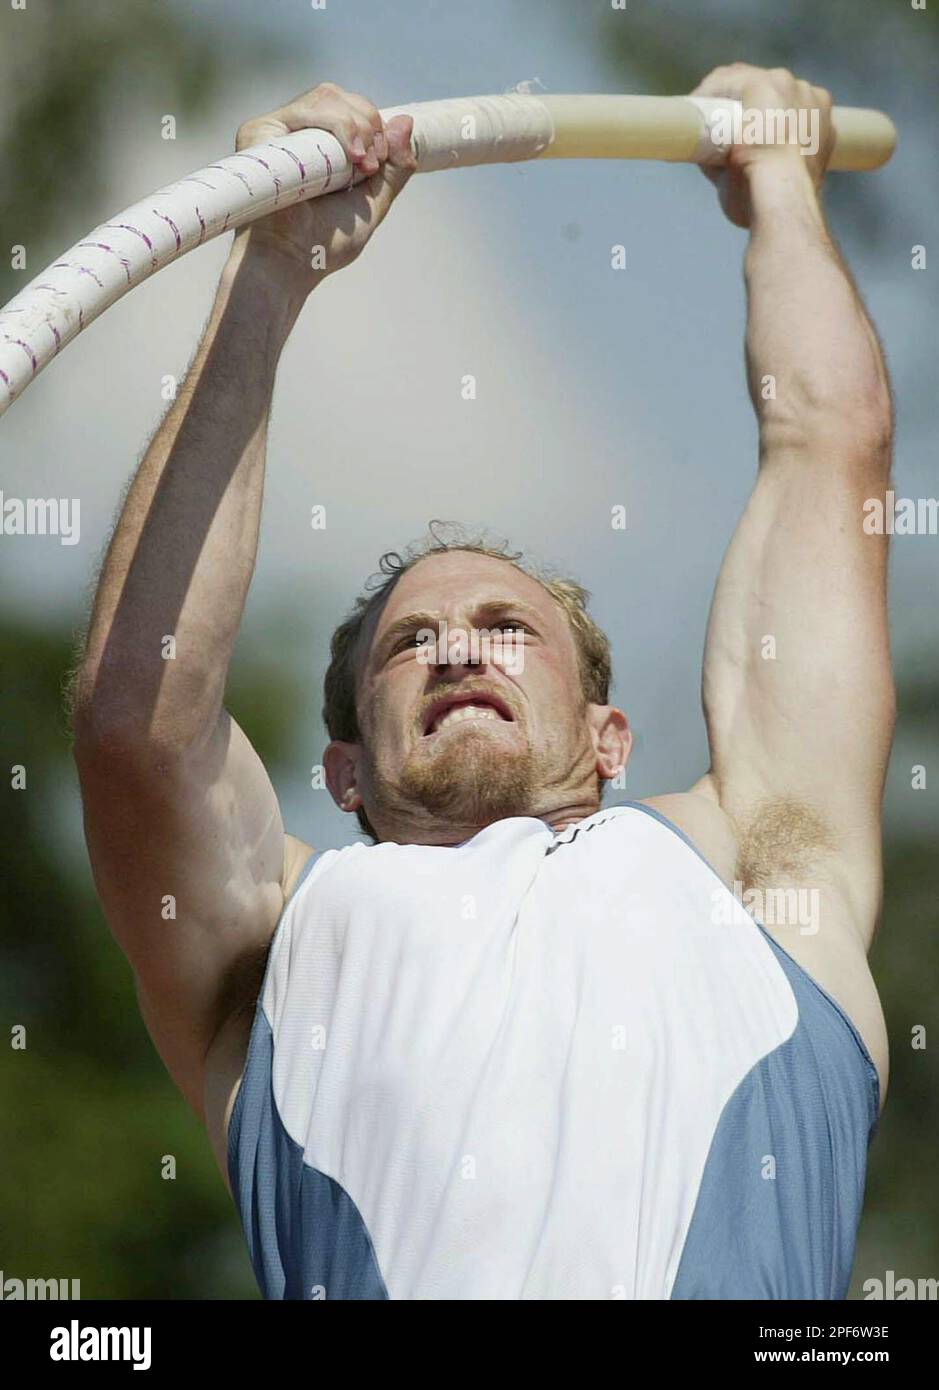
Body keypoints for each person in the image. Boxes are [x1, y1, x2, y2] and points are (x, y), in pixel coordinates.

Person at [71, 64, 894, 1300]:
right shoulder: (274, 936)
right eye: (410, 644)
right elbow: (136, 715)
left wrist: (780, 181)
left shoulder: (763, 863)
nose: (459, 649)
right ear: (343, 767)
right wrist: (268, 268)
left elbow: (829, 445)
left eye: (510, 627)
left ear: (611, 735)